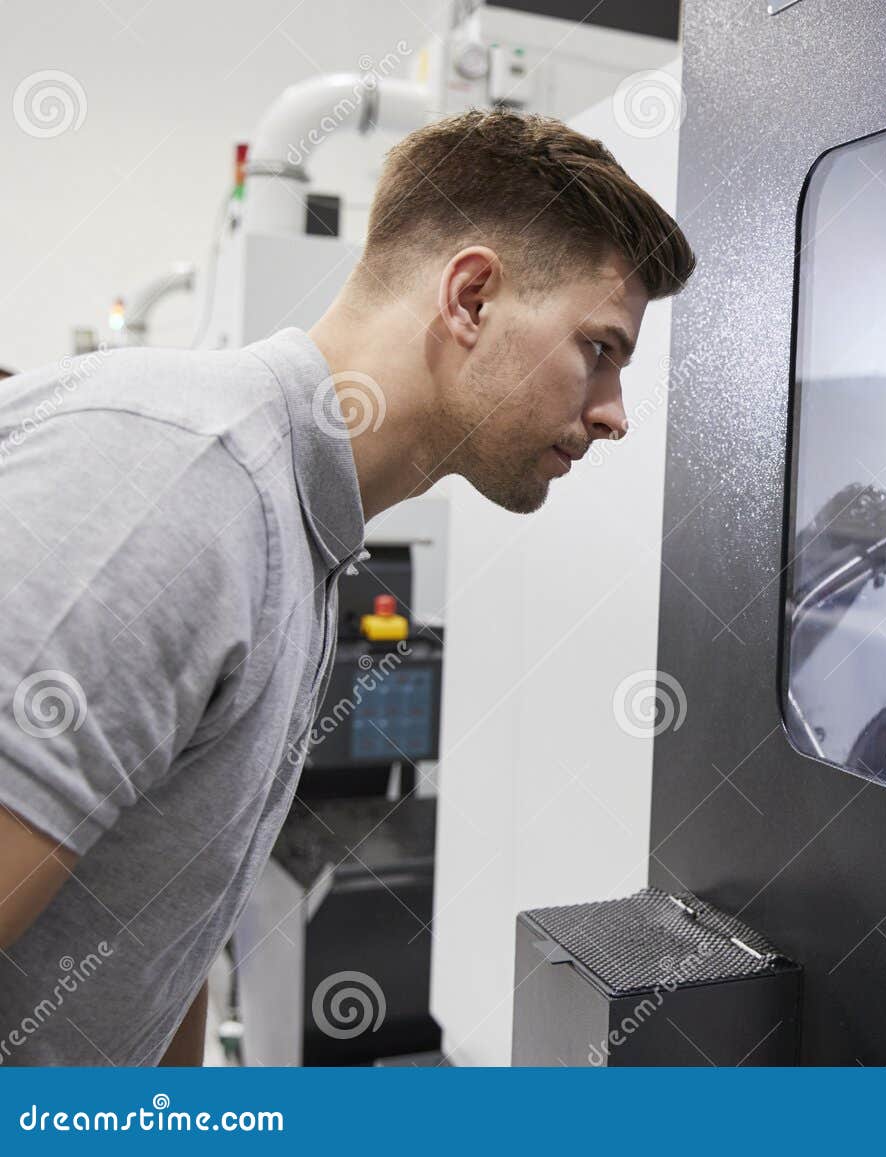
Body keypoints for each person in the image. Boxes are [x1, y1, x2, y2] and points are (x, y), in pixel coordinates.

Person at [0, 108, 695, 1065]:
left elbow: (166, 927)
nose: (615, 413)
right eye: (601, 349)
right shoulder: (187, 488)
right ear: (472, 297)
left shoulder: (300, 530)